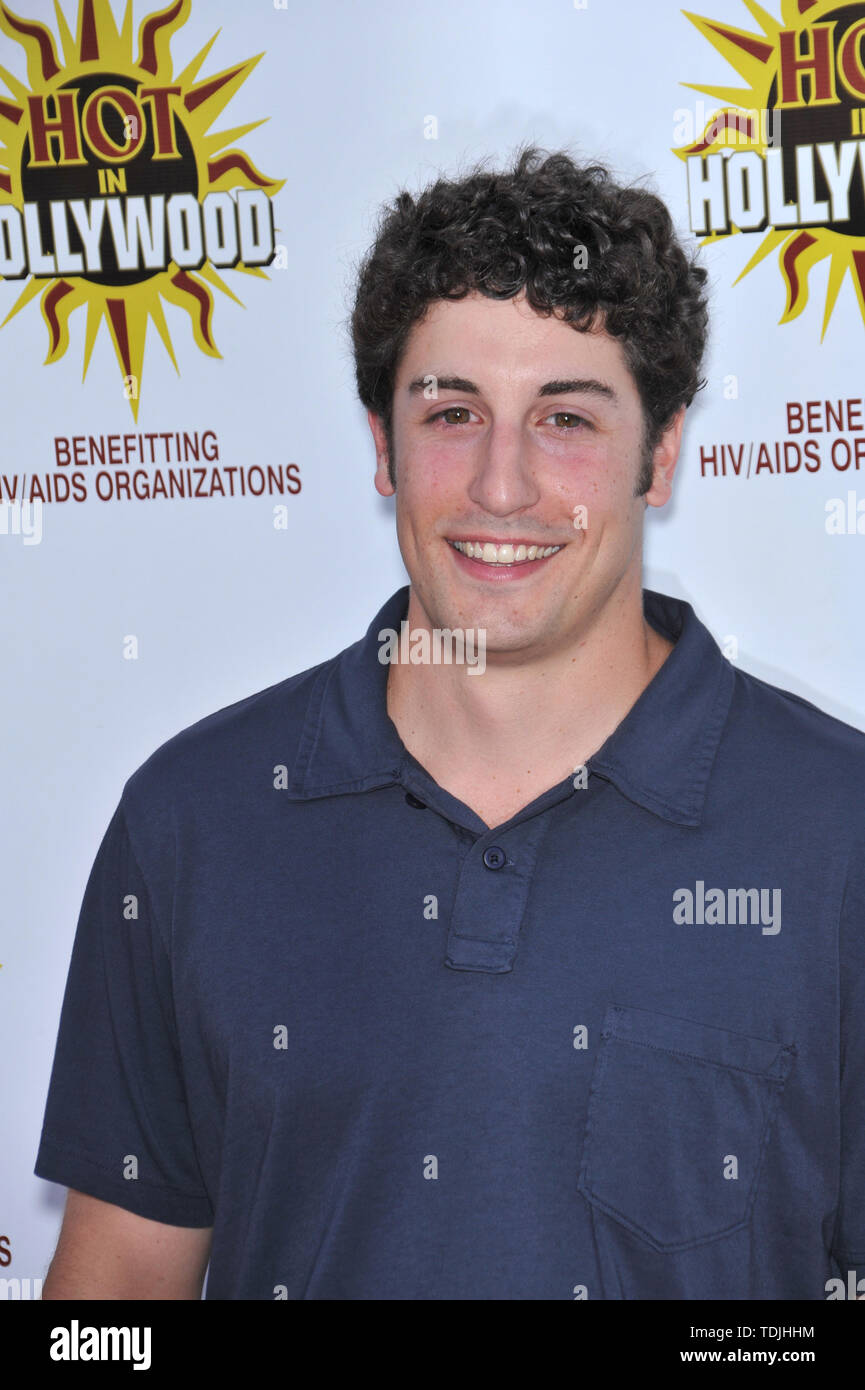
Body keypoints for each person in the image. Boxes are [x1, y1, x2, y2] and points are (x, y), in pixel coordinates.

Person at [35, 145, 865, 1300]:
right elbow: (114, 1295)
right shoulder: (193, 820)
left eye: (566, 418)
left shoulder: (837, 833)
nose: (502, 486)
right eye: (453, 412)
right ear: (381, 444)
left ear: (661, 452)